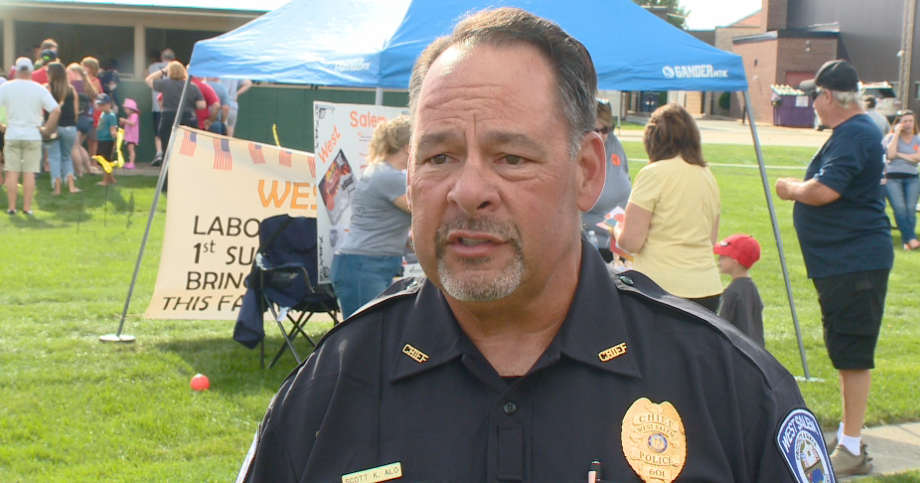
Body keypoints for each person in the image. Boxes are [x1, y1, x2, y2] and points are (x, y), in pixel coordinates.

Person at [238, 8, 825, 482]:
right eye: (439, 157)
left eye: (510, 157)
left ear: (588, 172)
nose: (468, 191)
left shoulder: (729, 388)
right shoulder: (330, 388)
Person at [776, 59, 893, 477]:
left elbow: (824, 190)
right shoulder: (857, 132)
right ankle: (848, 436)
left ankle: (853, 446)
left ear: (828, 96)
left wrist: (790, 189)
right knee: (846, 351)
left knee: (853, 354)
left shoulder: (855, 133)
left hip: (854, 261)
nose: (812, 102)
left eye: (814, 94)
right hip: (847, 261)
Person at [614, 103, 723, 312]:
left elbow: (631, 241)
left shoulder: (653, 174)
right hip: (707, 286)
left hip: (662, 289)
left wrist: (617, 229)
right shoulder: (708, 176)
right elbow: (710, 239)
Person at [330, 116, 411, 318]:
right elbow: (424, 210)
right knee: (365, 339)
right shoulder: (392, 178)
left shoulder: (381, 171)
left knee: (372, 337)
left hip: (365, 265)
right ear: (410, 147)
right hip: (365, 266)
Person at [0, 57, 60, 215]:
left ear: (16, 71)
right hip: (33, 135)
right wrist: (47, 129)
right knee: (29, 172)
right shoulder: (39, 89)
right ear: (31, 71)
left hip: (12, 134)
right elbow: (56, 110)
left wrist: (1, 127)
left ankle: (11, 208)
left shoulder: (5, 87)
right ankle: (27, 208)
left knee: (11, 171)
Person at [583, 97, 631, 263]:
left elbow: (625, 176)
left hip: (621, 246)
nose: (602, 135)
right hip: (593, 247)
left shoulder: (614, 144)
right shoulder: (580, 153)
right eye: (596, 129)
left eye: (607, 129)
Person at [145, 61, 204, 163]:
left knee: (167, 149)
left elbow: (148, 80)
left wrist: (163, 71)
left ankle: (167, 176)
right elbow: (202, 105)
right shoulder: (192, 86)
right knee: (189, 151)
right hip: (188, 117)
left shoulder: (165, 84)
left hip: (168, 117)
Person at [713, 234, 764, 348]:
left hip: (738, 351)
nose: (718, 259)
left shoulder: (732, 292)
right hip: (755, 350)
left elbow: (722, 324)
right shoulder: (751, 288)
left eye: (722, 256)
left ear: (735, 262)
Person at [883, 109, 920, 250]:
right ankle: (911, 239)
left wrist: (900, 154)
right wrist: (897, 133)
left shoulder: (917, 139)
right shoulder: (891, 137)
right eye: (905, 121)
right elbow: (890, 155)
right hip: (893, 178)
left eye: (910, 121)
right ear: (899, 123)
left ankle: (907, 242)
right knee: (899, 209)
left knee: (910, 209)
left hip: (912, 177)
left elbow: (918, 158)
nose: (908, 124)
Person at [43, 62, 80, 194]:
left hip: (53, 127)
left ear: (52, 74)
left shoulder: (47, 88)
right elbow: (76, 112)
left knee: (53, 158)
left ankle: (57, 189)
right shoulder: (71, 89)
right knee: (66, 157)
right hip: (70, 127)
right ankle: (71, 187)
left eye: (48, 72)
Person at [66, 63, 99, 176]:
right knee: (78, 146)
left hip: (77, 118)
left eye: (68, 73)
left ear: (75, 73)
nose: (66, 75)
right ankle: (89, 169)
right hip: (88, 119)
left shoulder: (72, 85)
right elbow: (95, 105)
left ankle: (79, 173)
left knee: (73, 147)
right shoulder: (88, 85)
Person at [147, 48, 174, 165]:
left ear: (162, 57)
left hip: (157, 104)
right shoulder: (176, 66)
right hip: (173, 105)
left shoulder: (153, 66)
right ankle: (169, 154)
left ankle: (159, 153)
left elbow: (144, 75)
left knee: (158, 131)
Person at [94, 94, 118, 186]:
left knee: (106, 162)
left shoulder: (111, 116)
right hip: (101, 140)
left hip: (107, 141)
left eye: (103, 105)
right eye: (99, 105)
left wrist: (114, 137)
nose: (101, 107)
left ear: (109, 104)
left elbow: (113, 129)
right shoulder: (103, 113)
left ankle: (105, 181)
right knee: (105, 160)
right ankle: (111, 179)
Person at [119, 99, 140, 169]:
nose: (125, 111)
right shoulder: (129, 116)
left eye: (126, 109)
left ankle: (131, 163)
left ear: (131, 109)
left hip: (132, 137)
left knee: (131, 149)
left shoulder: (134, 115)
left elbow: (132, 123)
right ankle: (130, 162)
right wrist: (124, 122)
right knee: (129, 149)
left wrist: (124, 120)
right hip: (128, 136)